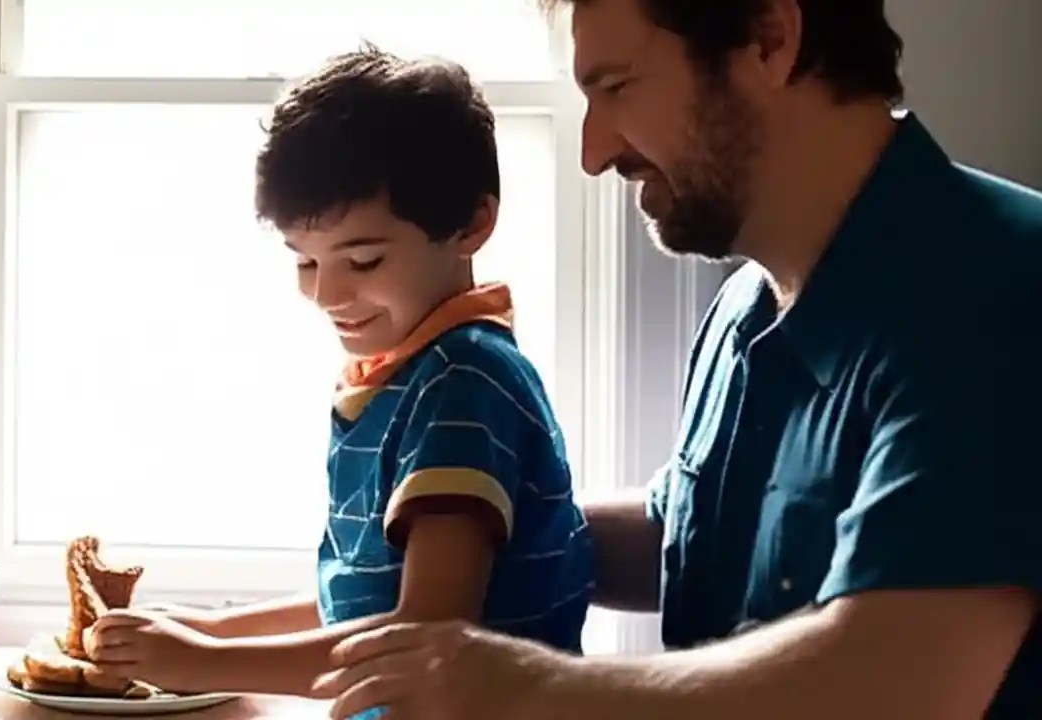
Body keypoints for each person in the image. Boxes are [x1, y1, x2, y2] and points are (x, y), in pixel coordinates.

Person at [311, 0, 1042, 718]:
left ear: (768, 38)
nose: (594, 153)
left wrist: (514, 685)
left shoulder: (1003, 292)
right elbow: (685, 535)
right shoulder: (742, 309)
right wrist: (466, 515)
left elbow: (891, 684)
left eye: (617, 87)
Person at [84, 46, 595, 706]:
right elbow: (362, 597)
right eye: (305, 262)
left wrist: (210, 663)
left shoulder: (463, 382)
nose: (326, 294)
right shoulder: (405, 374)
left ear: (470, 225)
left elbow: (424, 634)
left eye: (362, 259)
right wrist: (214, 634)